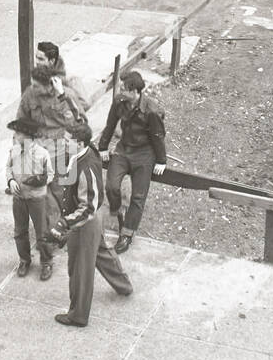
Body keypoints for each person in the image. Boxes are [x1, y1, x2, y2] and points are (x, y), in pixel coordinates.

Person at [48, 122, 133, 327]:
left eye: (67, 141)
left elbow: (88, 208)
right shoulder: (83, 154)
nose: (64, 143)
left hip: (85, 223)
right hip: (90, 222)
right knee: (101, 253)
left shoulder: (85, 168)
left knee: (79, 269)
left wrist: (63, 223)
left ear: (79, 143)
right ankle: (123, 285)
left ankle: (78, 315)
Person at [97, 70, 167, 254]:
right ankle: (117, 210)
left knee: (138, 197)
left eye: (123, 89)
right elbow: (110, 125)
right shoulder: (119, 102)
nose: (120, 91)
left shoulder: (151, 110)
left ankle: (126, 234)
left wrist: (161, 160)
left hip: (144, 154)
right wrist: (103, 147)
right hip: (123, 149)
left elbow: (158, 136)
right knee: (111, 186)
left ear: (134, 91)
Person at [16, 63, 88, 202]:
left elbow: (80, 124)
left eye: (36, 86)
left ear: (49, 85)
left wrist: (62, 97)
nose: (33, 88)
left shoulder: (66, 95)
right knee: (34, 194)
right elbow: (20, 122)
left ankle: (60, 221)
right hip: (36, 151)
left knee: (59, 193)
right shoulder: (30, 94)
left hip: (60, 151)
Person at [5, 117, 56, 281]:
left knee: (42, 232)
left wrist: (39, 181)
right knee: (20, 231)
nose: (15, 135)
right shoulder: (13, 151)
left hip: (37, 199)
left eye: (18, 133)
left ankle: (47, 262)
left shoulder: (42, 154)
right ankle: (24, 260)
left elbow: (50, 175)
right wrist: (10, 181)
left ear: (27, 136)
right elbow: (8, 168)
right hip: (19, 198)